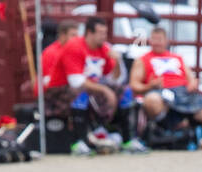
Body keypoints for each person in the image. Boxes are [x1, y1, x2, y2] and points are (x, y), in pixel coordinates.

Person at [59, 16, 146, 155]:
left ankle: (129, 141)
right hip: (61, 90)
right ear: (89, 32)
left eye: (105, 33)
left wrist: (117, 62)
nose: (104, 37)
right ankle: (79, 143)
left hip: (93, 89)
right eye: (100, 33)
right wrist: (105, 91)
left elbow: (114, 80)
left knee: (126, 91)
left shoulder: (105, 49)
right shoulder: (74, 46)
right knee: (80, 93)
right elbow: (76, 81)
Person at [129, 27, 202, 139]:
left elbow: (191, 78)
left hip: (182, 93)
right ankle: (169, 127)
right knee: (152, 100)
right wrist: (149, 86)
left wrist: (192, 84)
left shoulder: (177, 58)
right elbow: (134, 85)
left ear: (166, 41)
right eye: (153, 39)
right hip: (159, 92)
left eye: (159, 39)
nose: (156, 42)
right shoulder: (142, 60)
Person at [40, 19, 78, 113]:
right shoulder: (50, 53)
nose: (77, 38)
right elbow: (47, 81)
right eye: (73, 35)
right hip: (53, 91)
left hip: (66, 87)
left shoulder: (74, 50)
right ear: (62, 35)